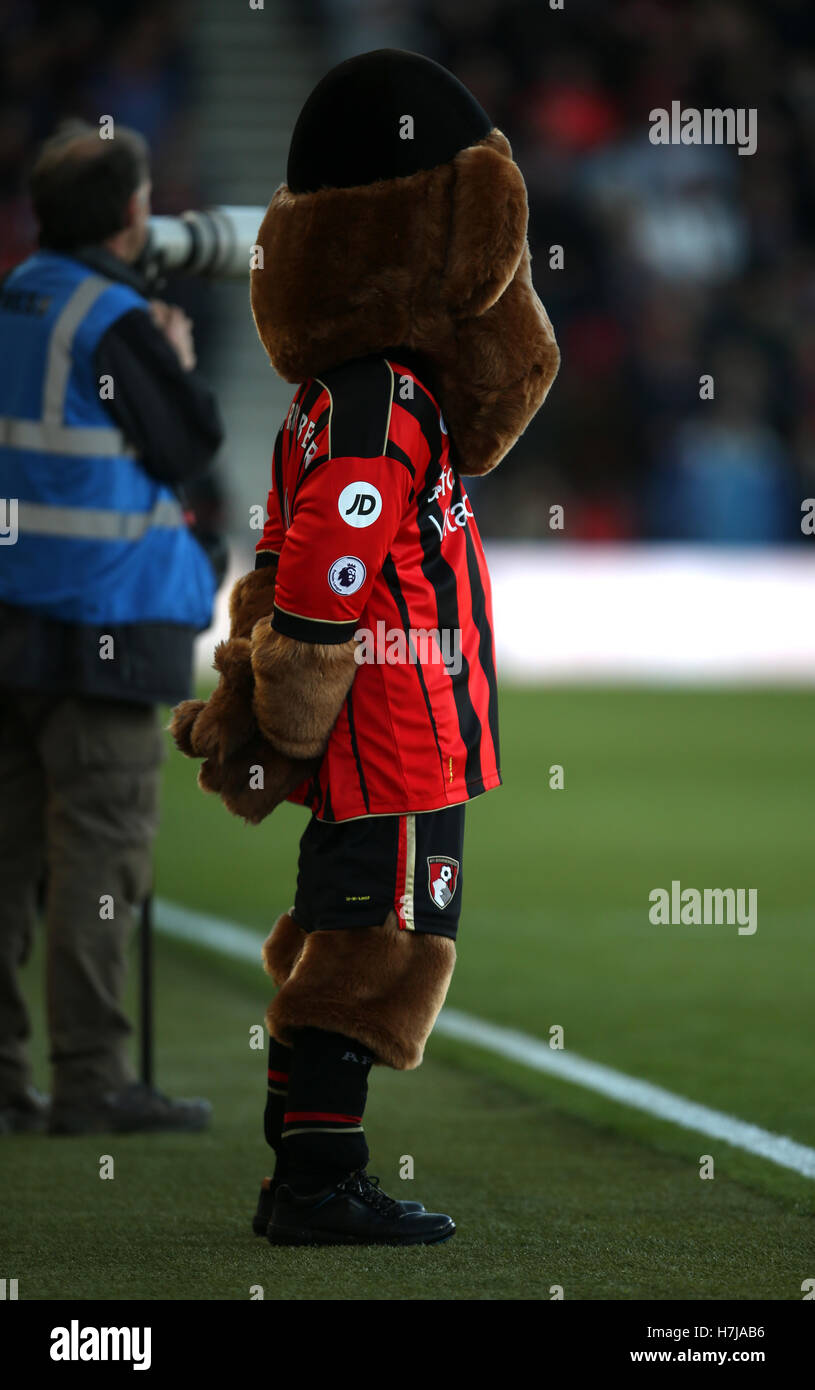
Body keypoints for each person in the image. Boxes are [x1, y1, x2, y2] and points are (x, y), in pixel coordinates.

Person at [172, 48, 559, 1243]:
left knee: (349, 932)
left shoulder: (369, 390)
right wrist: (283, 710)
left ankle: (303, 1172)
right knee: (369, 945)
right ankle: (317, 1187)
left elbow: (296, 556)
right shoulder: (374, 402)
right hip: (391, 732)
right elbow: (331, 569)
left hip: (408, 729)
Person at [0, 120, 225, 1135]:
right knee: (100, 855)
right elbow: (186, 444)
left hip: (10, 623)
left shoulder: (14, 297)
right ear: (135, 215)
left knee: (5, 863)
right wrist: (172, 352)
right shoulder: (113, 316)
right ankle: (92, 1081)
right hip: (103, 622)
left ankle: (5, 1083)